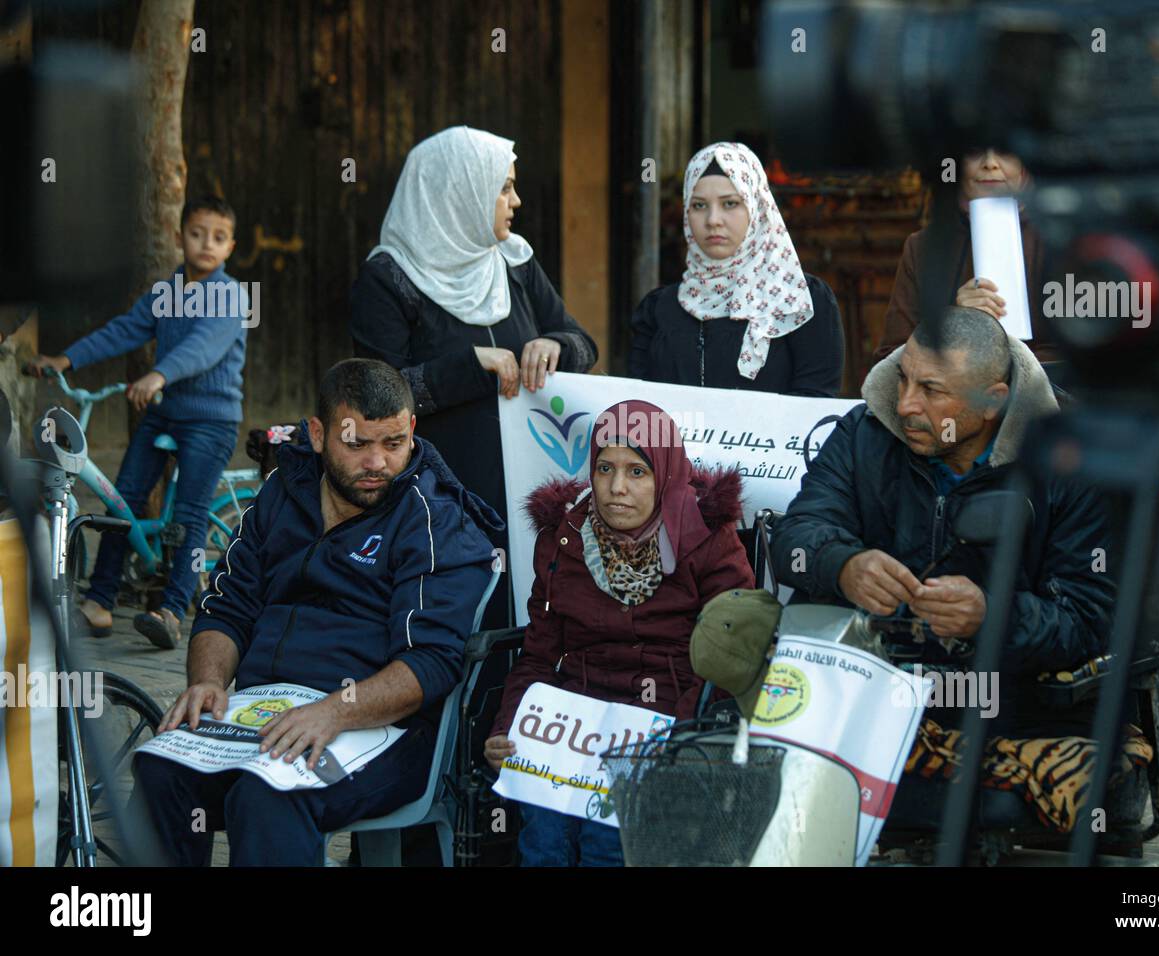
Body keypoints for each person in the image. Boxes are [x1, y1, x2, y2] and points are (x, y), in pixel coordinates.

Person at [131, 359, 502, 866]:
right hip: (263, 712)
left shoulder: (433, 519)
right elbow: (226, 607)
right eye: (357, 444)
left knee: (266, 797)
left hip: (385, 729)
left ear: (412, 430)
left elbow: (432, 662)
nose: (377, 462)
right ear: (318, 433)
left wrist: (334, 711)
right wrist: (209, 681)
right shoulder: (280, 495)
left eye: (393, 443)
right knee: (160, 772)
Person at [773, 306, 1113, 735]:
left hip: (1011, 705)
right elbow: (795, 539)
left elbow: (1089, 621)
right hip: (869, 685)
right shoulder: (864, 433)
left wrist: (991, 616)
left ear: (993, 400)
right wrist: (842, 566)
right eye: (903, 377)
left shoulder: (1072, 467)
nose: (905, 404)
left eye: (932, 391)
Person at [483, 399, 754, 866]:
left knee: (609, 842)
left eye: (637, 472)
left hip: (668, 718)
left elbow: (731, 658)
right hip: (574, 722)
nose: (615, 489)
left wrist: (679, 739)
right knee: (543, 841)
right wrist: (508, 729)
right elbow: (538, 656)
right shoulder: (564, 538)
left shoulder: (707, 538)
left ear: (665, 474)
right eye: (605, 468)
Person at [350, 126, 598, 630]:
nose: (516, 200)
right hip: (441, 498)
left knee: (528, 618)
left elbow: (582, 343)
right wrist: (469, 367)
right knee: (456, 625)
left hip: (528, 488)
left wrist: (557, 345)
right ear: (456, 192)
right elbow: (378, 399)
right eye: (503, 188)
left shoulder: (514, 261)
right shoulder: (389, 279)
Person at [25, 195, 248, 648]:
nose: (207, 244)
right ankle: (100, 600)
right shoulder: (167, 292)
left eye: (219, 237)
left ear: (230, 247)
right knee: (121, 500)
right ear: (180, 236)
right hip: (165, 413)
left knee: (189, 515)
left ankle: (171, 609)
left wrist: (159, 373)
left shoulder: (231, 296)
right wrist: (66, 359)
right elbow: (124, 330)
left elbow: (203, 347)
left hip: (211, 421)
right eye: (197, 233)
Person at [629, 142, 845, 396]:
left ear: (757, 208)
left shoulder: (800, 300)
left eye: (730, 203)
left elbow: (814, 408)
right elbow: (637, 404)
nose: (713, 220)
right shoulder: (658, 309)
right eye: (699, 205)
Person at [873, 149, 1058, 366]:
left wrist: (1009, 370)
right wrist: (955, 328)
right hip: (953, 396)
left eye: (1005, 152)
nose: (990, 164)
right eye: (975, 152)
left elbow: (1087, 355)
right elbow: (889, 359)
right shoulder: (923, 247)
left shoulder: (1059, 239)